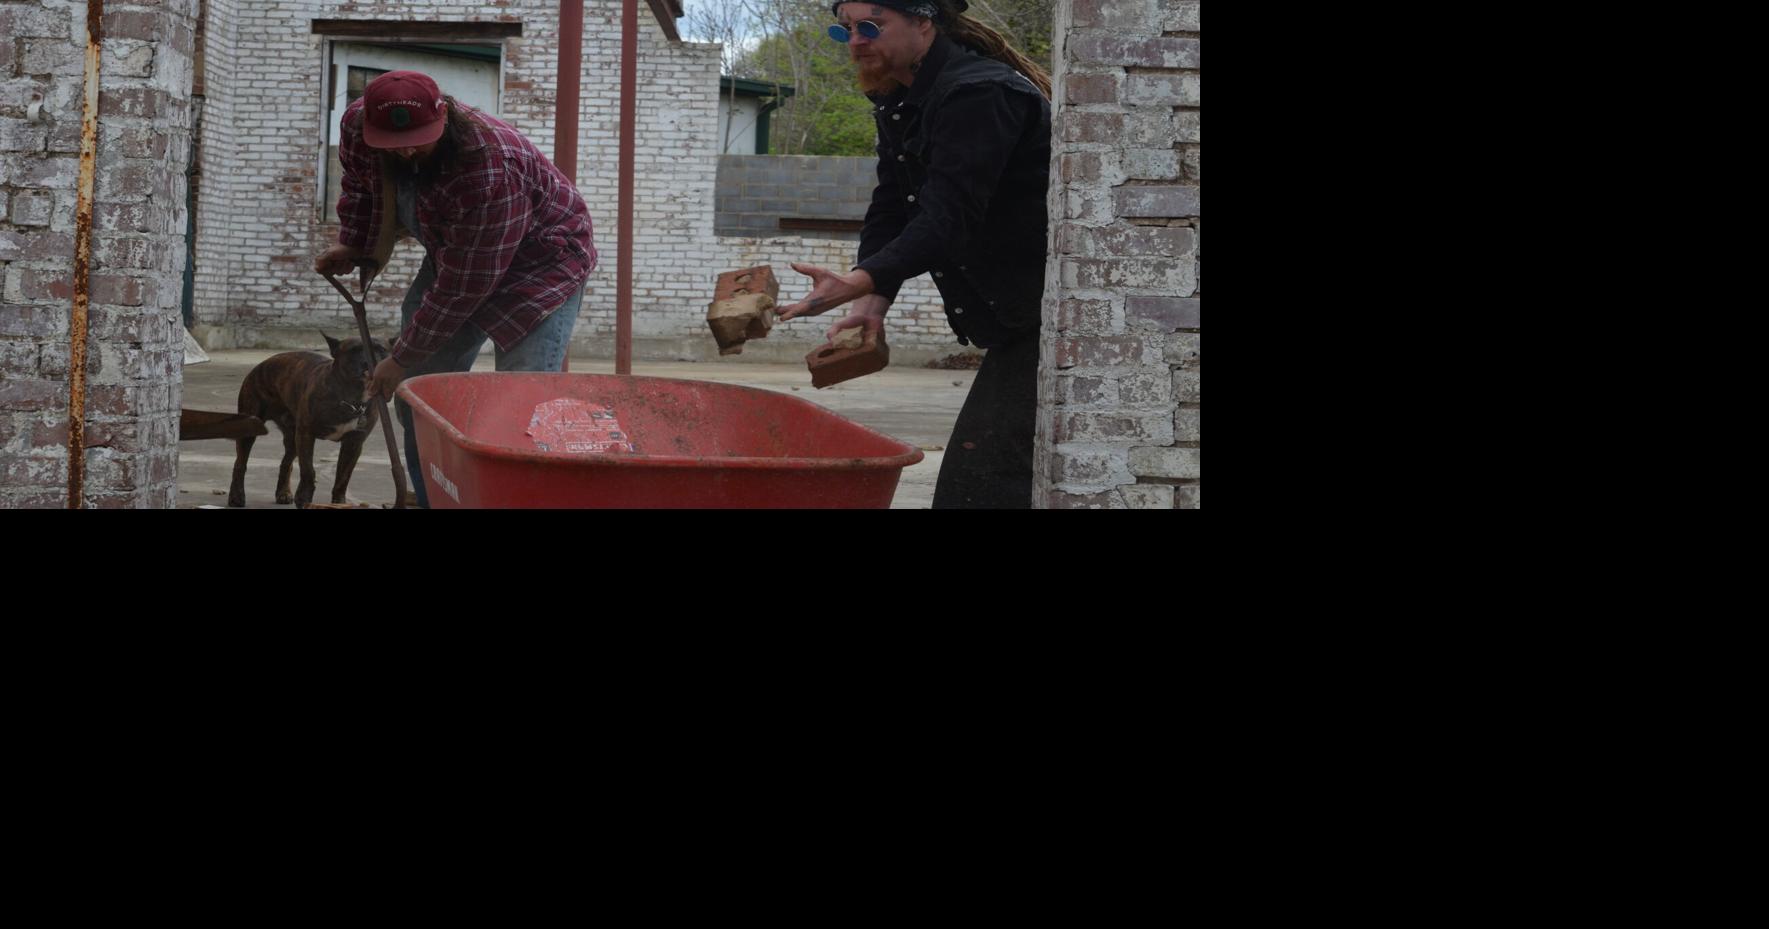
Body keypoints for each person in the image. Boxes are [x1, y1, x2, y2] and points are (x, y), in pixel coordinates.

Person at [777, 0, 1052, 509]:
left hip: (1047, 318)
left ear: (924, 23)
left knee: (979, 483)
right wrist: (871, 303)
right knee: (993, 480)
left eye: (871, 27)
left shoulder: (979, 93)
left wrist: (858, 280)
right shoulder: (901, 98)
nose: (857, 41)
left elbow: (948, 217)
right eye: (846, 31)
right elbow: (893, 205)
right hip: (1013, 318)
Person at [315, 70, 597, 508]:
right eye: (392, 143)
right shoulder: (358, 126)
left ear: (443, 114)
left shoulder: (488, 164)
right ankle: (435, 500)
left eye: (418, 140)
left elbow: (462, 291)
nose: (407, 150)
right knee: (418, 396)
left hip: (542, 264)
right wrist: (355, 241)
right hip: (458, 250)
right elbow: (362, 186)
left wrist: (401, 357)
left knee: (523, 406)